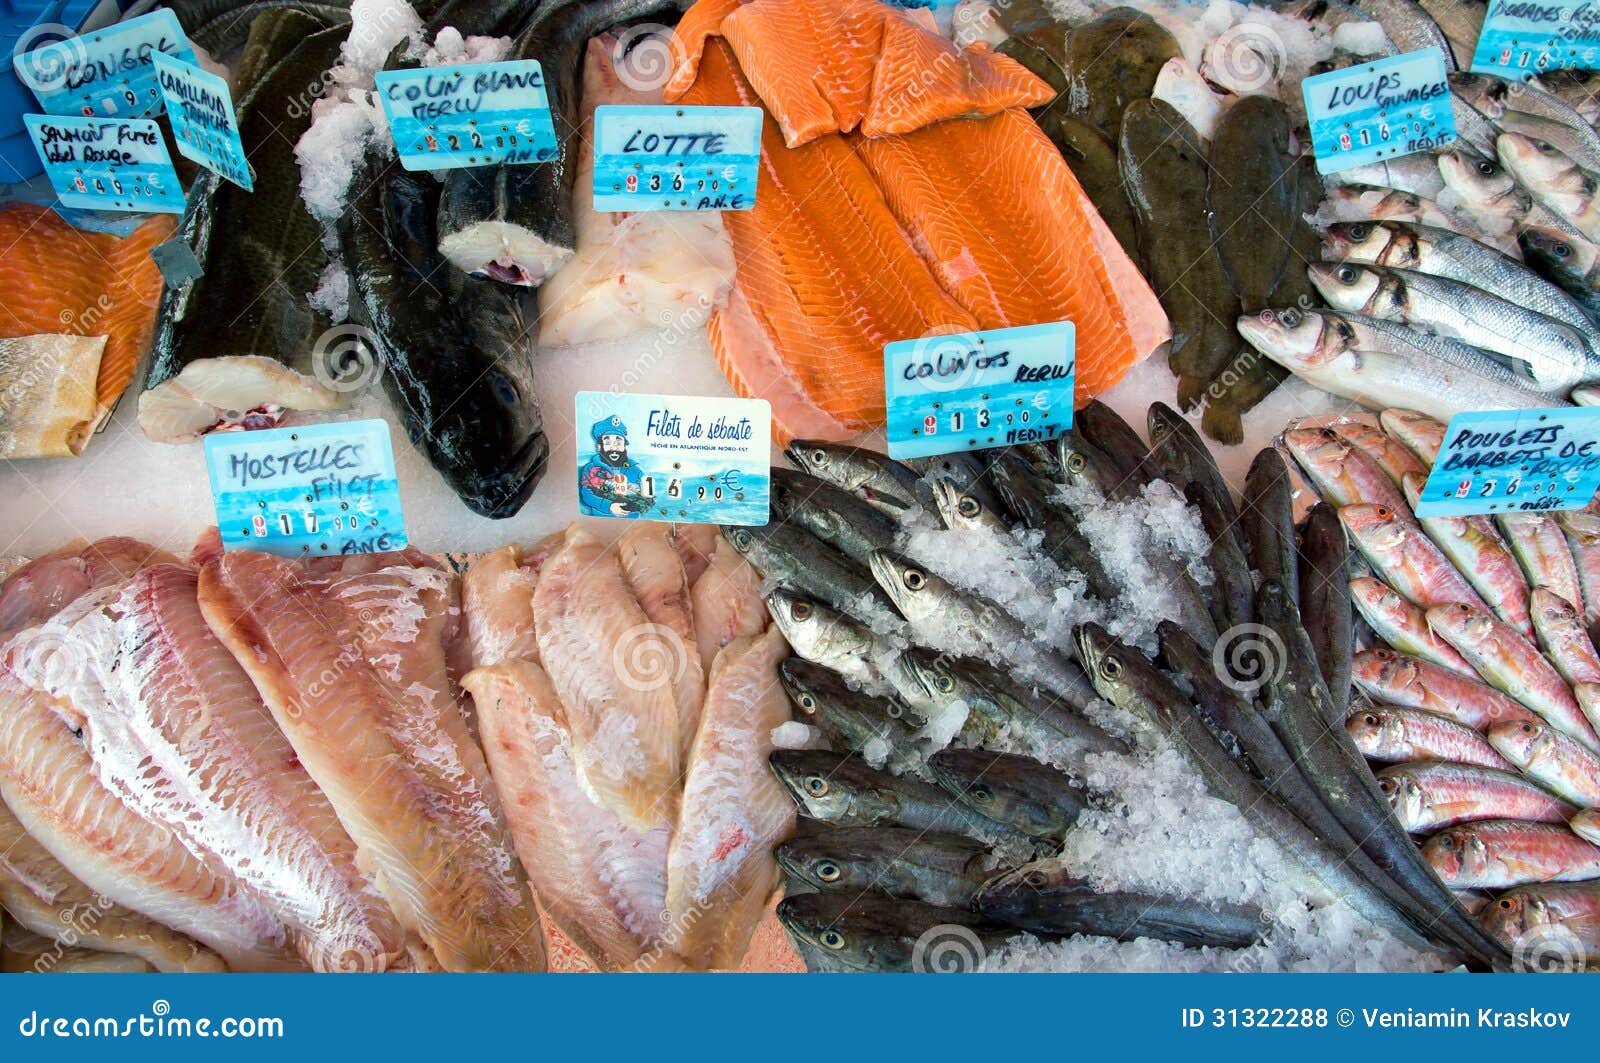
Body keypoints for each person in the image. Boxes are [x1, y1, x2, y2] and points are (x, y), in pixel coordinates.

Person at [578, 414, 650, 517]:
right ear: (599, 446)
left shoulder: (637, 470)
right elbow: (587, 495)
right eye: (607, 442)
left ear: (624, 446)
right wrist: (609, 506)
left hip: (633, 524)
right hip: (599, 522)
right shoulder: (590, 469)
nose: (614, 447)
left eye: (618, 442)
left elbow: (649, 497)